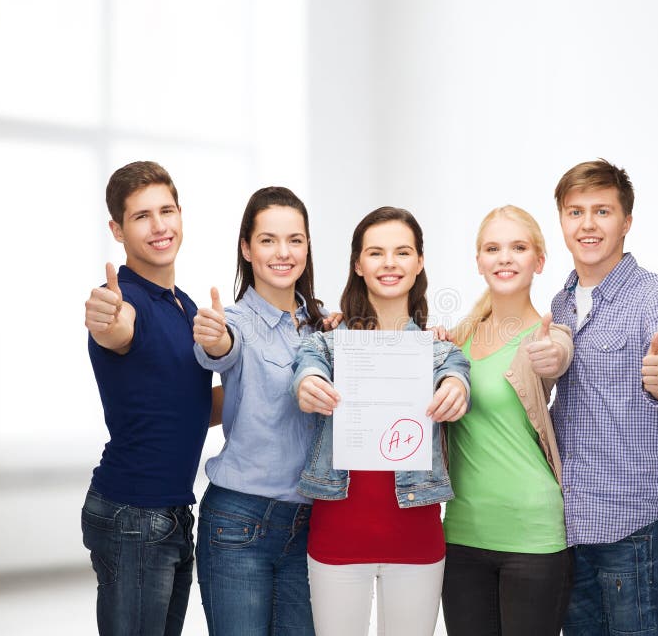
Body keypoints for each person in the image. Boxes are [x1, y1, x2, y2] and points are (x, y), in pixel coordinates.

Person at [292, 207, 470, 636]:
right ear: (358, 264)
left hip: (416, 541)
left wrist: (455, 389)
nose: (389, 263)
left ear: (419, 262)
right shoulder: (326, 345)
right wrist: (310, 383)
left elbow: (456, 375)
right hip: (336, 539)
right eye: (376, 252)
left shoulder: (440, 351)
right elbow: (307, 368)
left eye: (402, 252)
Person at [550, 159, 658, 635]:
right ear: (562, 221)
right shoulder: (561, 303)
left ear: (626, 221)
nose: (587, 224)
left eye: (602, 211)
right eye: (575, 212)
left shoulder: (653, 296)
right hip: (571, 520)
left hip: (631, 521)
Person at [82, 160, 218, 635]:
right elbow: (115, 329)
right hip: (133, 513)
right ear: (117, 230)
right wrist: (106, 317)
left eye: (167, 210)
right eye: (142, 216)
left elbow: (190, 406)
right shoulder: (123, 301)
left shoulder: (183, 304)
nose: (160, 226)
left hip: (172, 513)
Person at [191, 186, 330, 636]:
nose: (283, 252)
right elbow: (220, 348)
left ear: (308, 246)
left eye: (295, 239)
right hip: (239, 523)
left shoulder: (327, 325)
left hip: (311, 525)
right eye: (268, 240)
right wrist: (213, 339)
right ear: (247, 249)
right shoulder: (234, 322)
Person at [441, 205, 575, 636]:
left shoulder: (547, 334)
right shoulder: (456, 341)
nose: (504, 258)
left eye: (518, 248)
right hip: (461, 534)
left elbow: (558, 354)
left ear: (538, 260)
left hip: (533, 535)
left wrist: (553, 354)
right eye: (493, 248)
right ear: (478, 261)